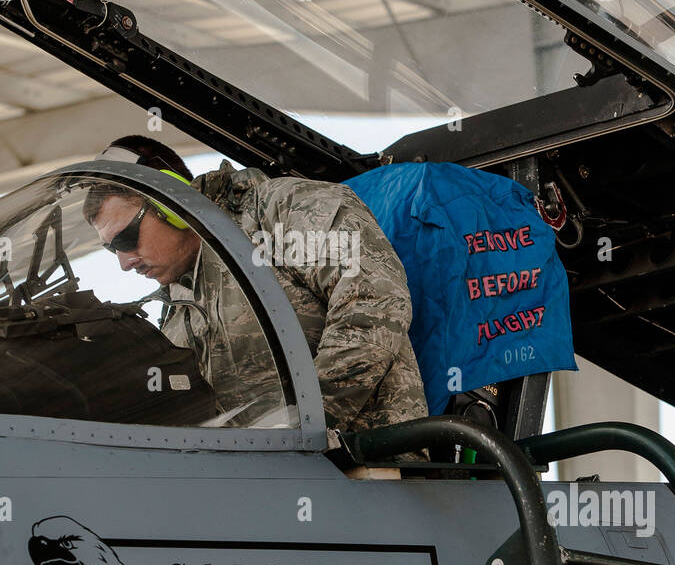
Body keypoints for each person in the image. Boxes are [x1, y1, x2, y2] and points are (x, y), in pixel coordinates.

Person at [82, 136, 427, 464]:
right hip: (258, 489)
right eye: (112, 248)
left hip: (369, 474)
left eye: (125, 238)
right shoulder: (176, 307)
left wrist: (297, 429)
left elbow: (374, 301)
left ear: (171, 199)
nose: (124, 262)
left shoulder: (282, 210)